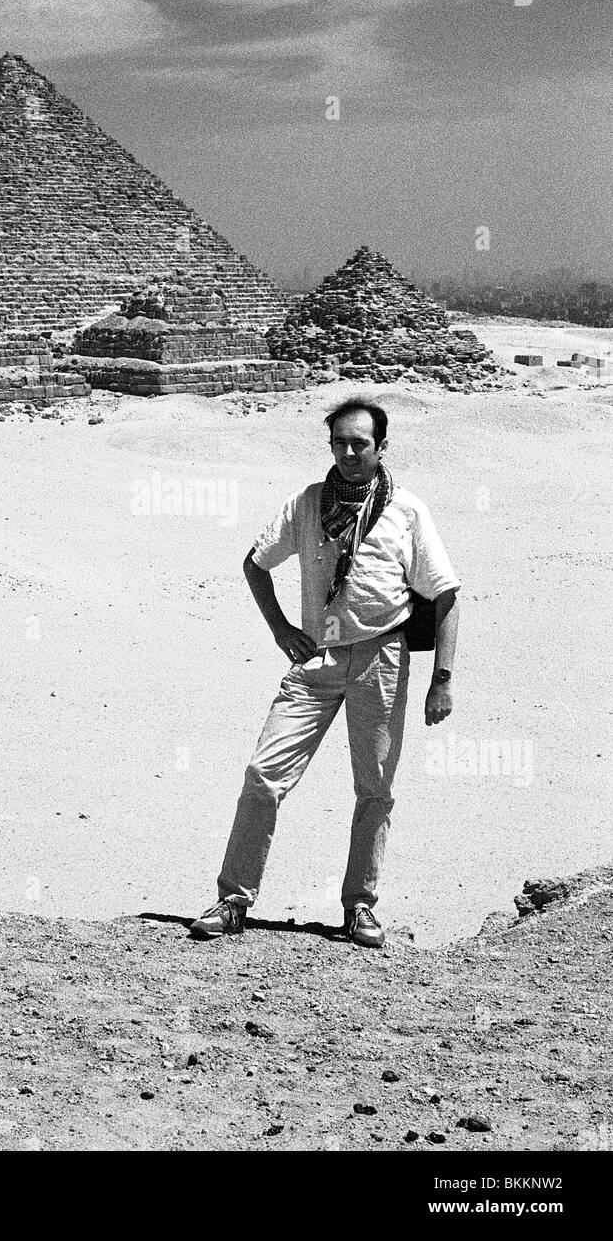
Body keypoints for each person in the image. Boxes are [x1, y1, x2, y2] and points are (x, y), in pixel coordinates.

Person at [190, 397, 460, 949]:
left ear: (382, 447)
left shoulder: (406, 510)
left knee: (375, 789)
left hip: (381, 659)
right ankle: (234, 898)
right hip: (317, 660)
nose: (349, 452)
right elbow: (255, 562)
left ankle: (360, 906)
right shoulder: (308, 504)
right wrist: (281, 630)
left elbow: (447, 592)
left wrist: (443, 679)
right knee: (263, 775)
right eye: (339, 442)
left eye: (361, 442)